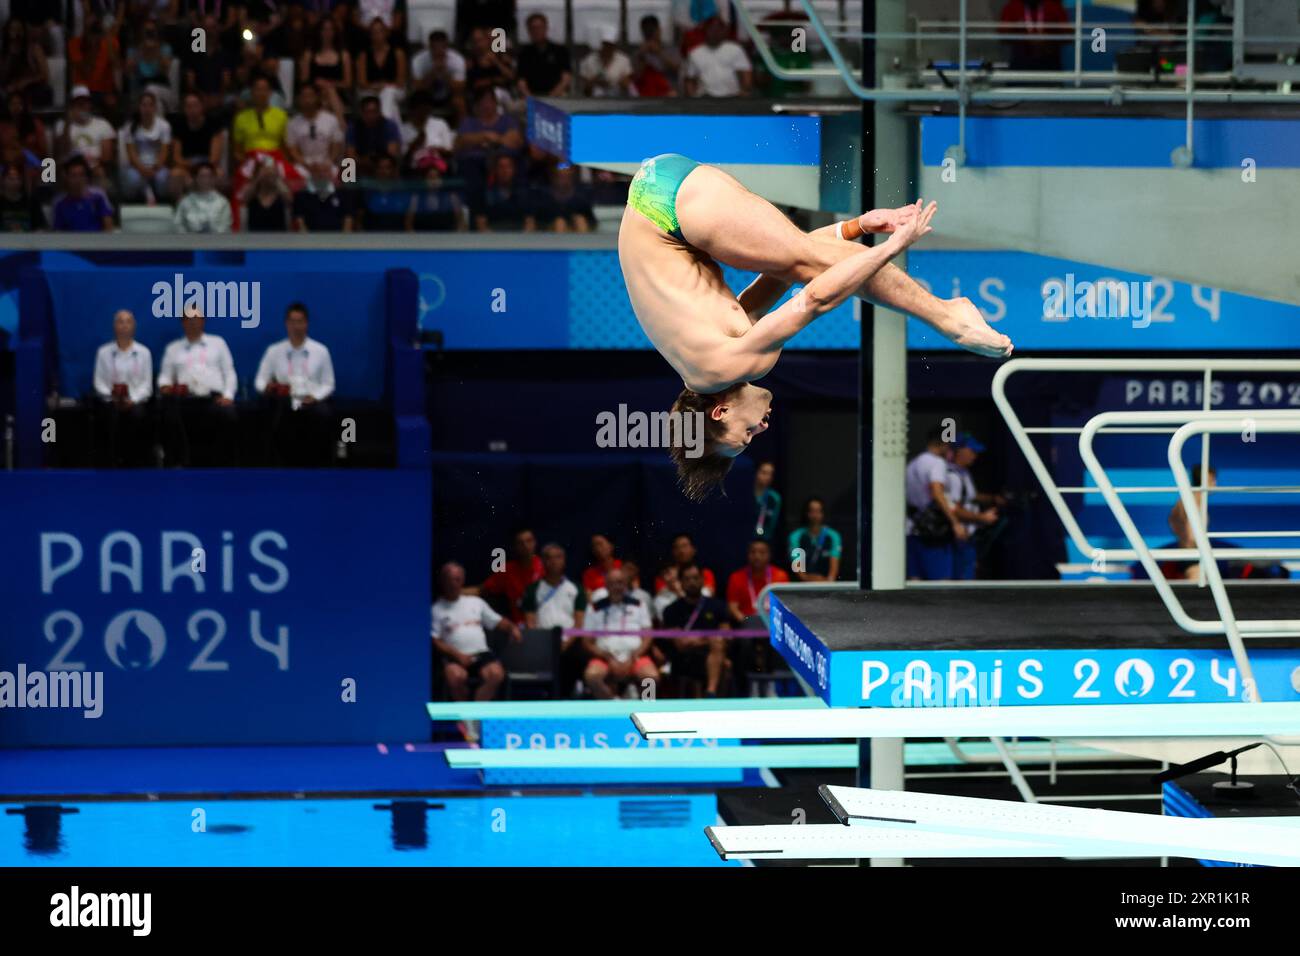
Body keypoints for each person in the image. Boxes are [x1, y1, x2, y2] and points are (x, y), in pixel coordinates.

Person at [618, 152, 1011, 500]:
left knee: (808, 265)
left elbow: (817, 298)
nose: (761, 429)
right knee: (800, 260)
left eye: (747, 435)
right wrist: (858, 227)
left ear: (719, 414)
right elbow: (787, 270)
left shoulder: (727, 367)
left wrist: (893, 247)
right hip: (659, 190)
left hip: (667, 211)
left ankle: (946, 317)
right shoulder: (708, 358)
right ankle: (944, 312)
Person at [253, 301, 337, 466]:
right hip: (284, 401)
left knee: (324, 414)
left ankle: (320, 466)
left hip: (311, 401)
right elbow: (259, 381)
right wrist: (267, 387)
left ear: (307, 323)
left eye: (300, 321)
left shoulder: (321, 351)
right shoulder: (274, 351)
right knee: (275, 415)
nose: (296, 326)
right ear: (286, 324)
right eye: (292, 321)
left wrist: (315, 397)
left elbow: (329, 383)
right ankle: (280, 466)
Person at [156, 305, 239, 466]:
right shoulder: (173, 349)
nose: (192, 323)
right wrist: (166, 386)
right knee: (169, 415)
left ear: (203, 321)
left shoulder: (218, 343)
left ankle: (224, 467)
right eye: (188, 319)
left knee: (230, 415)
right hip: (184, 400)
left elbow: (229, 373)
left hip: (213, 399)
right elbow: (164, 377)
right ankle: (178, 465)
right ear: (182, 323)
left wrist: (228, 396)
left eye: (196, 319)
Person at [432, 561, 520, 707]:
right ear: (443, 581)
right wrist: (457, 655)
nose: (455, 583)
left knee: (496, 673)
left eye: (458, 579)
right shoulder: (436, 609)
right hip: (454, 657)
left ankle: (473, 715)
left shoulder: (475, 602)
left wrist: (512, 628)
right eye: (451, 579)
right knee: (455, 676)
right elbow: (435, 639)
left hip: (481, 654)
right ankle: (466, 716)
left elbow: (497, 621)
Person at [581, 567, 657, 699]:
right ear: (606, 585)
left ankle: (646, 709)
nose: (617, 587)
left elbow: (647, 636)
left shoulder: (639, 605)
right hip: (605, 658)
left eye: (620, 582)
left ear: (626, 584)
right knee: (592, 676)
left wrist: (633, 657)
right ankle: (613, 704)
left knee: (651, 677)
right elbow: (586, 641)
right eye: (612, 583)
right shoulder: (594, 608)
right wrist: (607, 657)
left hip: (635, 656)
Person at [92, 309, 153, 467]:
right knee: (108, 415)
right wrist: (114, 397)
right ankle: (110, 463)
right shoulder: (104, 352)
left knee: (139, 415)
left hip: (135, 402)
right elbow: (99, 383)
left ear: (134, 326)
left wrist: (131, 400)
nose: (124, 325)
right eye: (120, 321)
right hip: (111, 401)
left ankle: (136, 463)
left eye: (128, 322)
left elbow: (147, 385)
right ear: (114, 326)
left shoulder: (144, 352)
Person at [661, 564, 730, 697]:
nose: (692, 582)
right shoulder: (671, 610)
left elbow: (725, 634)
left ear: (703, 580)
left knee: (718, 647)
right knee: (718, 650)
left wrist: (697, 640)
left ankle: (711, 692)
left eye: (695, 578)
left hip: (712, 653)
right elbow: (680, 644)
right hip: (684, 658)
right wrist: (708, 639)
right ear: (680, 583)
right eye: (687, 579)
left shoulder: (718, 606)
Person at [905, 427, 961, 580]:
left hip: (911, 529)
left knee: (915, 582)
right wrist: (955, 522)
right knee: (941, 586)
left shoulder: (913, 463)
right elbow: (937, 492)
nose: (950, 449)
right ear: (942, 443)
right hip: (933, 534)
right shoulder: (937, 463)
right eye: (949, 445)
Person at [946, 433, 1000, 580]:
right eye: (972, 451)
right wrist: (981, 518)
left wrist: (995, 499)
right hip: (958, 538)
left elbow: (971, 496)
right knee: (960, 580)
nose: (975, 455)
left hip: (968, 537)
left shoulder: (964, 472)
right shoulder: (951, 476)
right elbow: (954, 508)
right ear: (959, 450)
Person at [54, 87, 117, 190]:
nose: (82, 107)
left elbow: (107, 157)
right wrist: (68, 123)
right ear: (72, 106)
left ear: (90, 105)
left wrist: (91, 166)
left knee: (100, 173)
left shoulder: (103, 124)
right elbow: (60, 152)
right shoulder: (62, 125)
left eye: (84, 103)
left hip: (95, 167)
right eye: (78, 104)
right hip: (70, 168)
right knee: (67, 174)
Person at [479, 526, 543, 623]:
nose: (525, 546)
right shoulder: (507, 570)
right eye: (520, 543)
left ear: (535, 542)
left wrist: (572, 633)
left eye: (529, 541)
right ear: (515, 547)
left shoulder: (546, 567)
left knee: (572, 631)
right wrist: (451, 592)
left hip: (549, 627)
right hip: (521, 631)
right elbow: (481, 590)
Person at [168, 93, 227, 198]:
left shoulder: (213, 123)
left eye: (195, 105)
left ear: (202, 106)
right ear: (184, 109)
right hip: (186, 165)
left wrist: (200, 171)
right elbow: (176, 158)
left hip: (208, 164)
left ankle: (215, 207)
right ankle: (181, 208)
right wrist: (190, 168)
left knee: (220, 175)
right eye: (189, 106)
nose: (192, 110)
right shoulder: (178, 124)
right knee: (175, 175)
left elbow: (214, 158)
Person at [521, 543, 587, 631]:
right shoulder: (532, 589)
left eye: (558, 557)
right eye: (549, 557)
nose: (553, 561)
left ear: (564, 560)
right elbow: (530, 623)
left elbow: (579, 624)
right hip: (541, 640)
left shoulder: (577, 588)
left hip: (571, 640)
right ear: (543, 561)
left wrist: (566, 643)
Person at [120, 91, 172, 202]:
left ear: (155, 108)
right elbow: (131, 154)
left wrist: (155, 168)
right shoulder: (129, 127)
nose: (147, 109)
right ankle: (138, 200)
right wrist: (142, 169)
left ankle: (160, 203)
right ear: (139, 107)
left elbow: (164, 152)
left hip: (158, 166)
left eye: (150, 105)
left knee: (162, 179)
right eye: (144, 105)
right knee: (132, 180)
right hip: (137, 167)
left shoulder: (164, 126)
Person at [683, 16, 751, 98]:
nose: (715, 32)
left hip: (732, 97)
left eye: (718, 29)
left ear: (723, 31)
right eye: (711, 29)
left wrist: (745, 91)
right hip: (705, 98)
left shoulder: (735, 49)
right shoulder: (695, 53)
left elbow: (745, 73)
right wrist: (692, 98)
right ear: (705, 30)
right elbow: (690, 78)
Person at [285, 83, 345, 175]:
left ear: (317, 97)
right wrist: (306, 165)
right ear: (299, 99)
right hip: (304, 165)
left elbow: (336, 145)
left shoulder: (331, 119)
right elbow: (293, 150)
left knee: (336, 174)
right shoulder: (292, 123)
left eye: (310, 96)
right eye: (304, 96)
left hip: (326, 163)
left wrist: (328, 162)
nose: (307, 100)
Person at [726, 538, 789, 624]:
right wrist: (746, 623)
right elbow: (733, 607)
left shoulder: (780, 576)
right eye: (753, 552)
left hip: (774, 624)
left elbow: (785, 606)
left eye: (762, 552)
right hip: (747, 623)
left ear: (769, 555)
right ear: (747, 554)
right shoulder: (736, 577)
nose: (757, 556)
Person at [410, 29, 466, 118]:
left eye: (442, 47)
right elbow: (417, 88)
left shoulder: (457, 60)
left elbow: (460, 88)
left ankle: (461, 130)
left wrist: (445, 74)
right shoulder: (418, 60)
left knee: (459, 101)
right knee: (418, 100)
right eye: (435, 48)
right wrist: (433, 73)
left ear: (447, 46)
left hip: (449, 94)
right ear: (430, 47)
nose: (439, 51)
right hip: (426, 94)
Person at [51, 156, 115, 232]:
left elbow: (108, 227)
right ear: (67, 178)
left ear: (86, 177)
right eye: (74, 176)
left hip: (97, 242)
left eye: (81, 175)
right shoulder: (59, 203)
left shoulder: (98, 196)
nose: (78, 180)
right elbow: (58, 232)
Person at [516, 13, 571, 98]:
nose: (536, 31)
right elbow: (521, 81)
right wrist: (531, 98)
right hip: (531, 97)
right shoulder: (524, 53)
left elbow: (566, 78)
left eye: (539, 28)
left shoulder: (560, 50)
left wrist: (552, 97)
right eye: (533, 28)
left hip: (557, 95)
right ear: (528, 31)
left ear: (546, 28)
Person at [788, 497, 842, 582]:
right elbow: (797, 567)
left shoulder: (833, 536)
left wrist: (827, 582)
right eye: (812, 511)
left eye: (818, 511)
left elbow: (833, 570)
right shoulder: (796, 536)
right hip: (802, 584)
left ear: (823, 513)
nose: (815, 515)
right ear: (806, 513)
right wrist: (808, 580)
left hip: (826, 584)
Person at [532, 162, 594, 233]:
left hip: (576, 233)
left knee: (580, 220)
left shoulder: (580, 199)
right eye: (561, 177)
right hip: (549, 236)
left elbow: (592, 223)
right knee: (560, 223)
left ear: (572, 178)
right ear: (554, 178)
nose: (565, 180)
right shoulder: (545, 198)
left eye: (568, 176)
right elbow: (537, 222)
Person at [174, 162, 233, 233]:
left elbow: (225, 227)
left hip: (216, 241)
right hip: (189, 242)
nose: (205, 180)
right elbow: (178, 225)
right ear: (195, 178)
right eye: (202, 176)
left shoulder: (223, 202)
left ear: (214, 178)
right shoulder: (185, 202)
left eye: (209, 176)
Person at [632, 15, 680, 97]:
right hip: (648, 96)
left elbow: (677, 68)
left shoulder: (672, 49)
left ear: (659, 30)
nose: (649, 34)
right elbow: (637, 76)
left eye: (651, 30)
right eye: (646, 31)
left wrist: (659, 53)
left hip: (670, 94)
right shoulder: (639, 54)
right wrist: (642, 56)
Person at [579, 26, 633, 97]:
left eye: (610, 45)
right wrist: (595, 81)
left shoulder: (623, 60)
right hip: (594, 101)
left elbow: (627, 84)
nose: (607, 48)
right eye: (605, 45)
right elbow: (584, 88)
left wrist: (614, 84)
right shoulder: (589, 60)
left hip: (617, 100)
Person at [0, 161, 43, 231]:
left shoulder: (32, 202)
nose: (15, 182)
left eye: (18, 178)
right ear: (3, 180)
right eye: (11, 178)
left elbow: (40, 227)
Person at [753, 460, 782, 543]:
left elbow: (773, 525)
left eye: (770, 474)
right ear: (756, 472)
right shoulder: (746, 494)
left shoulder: (775, 498)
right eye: (764, 473)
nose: (768, 477)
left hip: (765, 541)